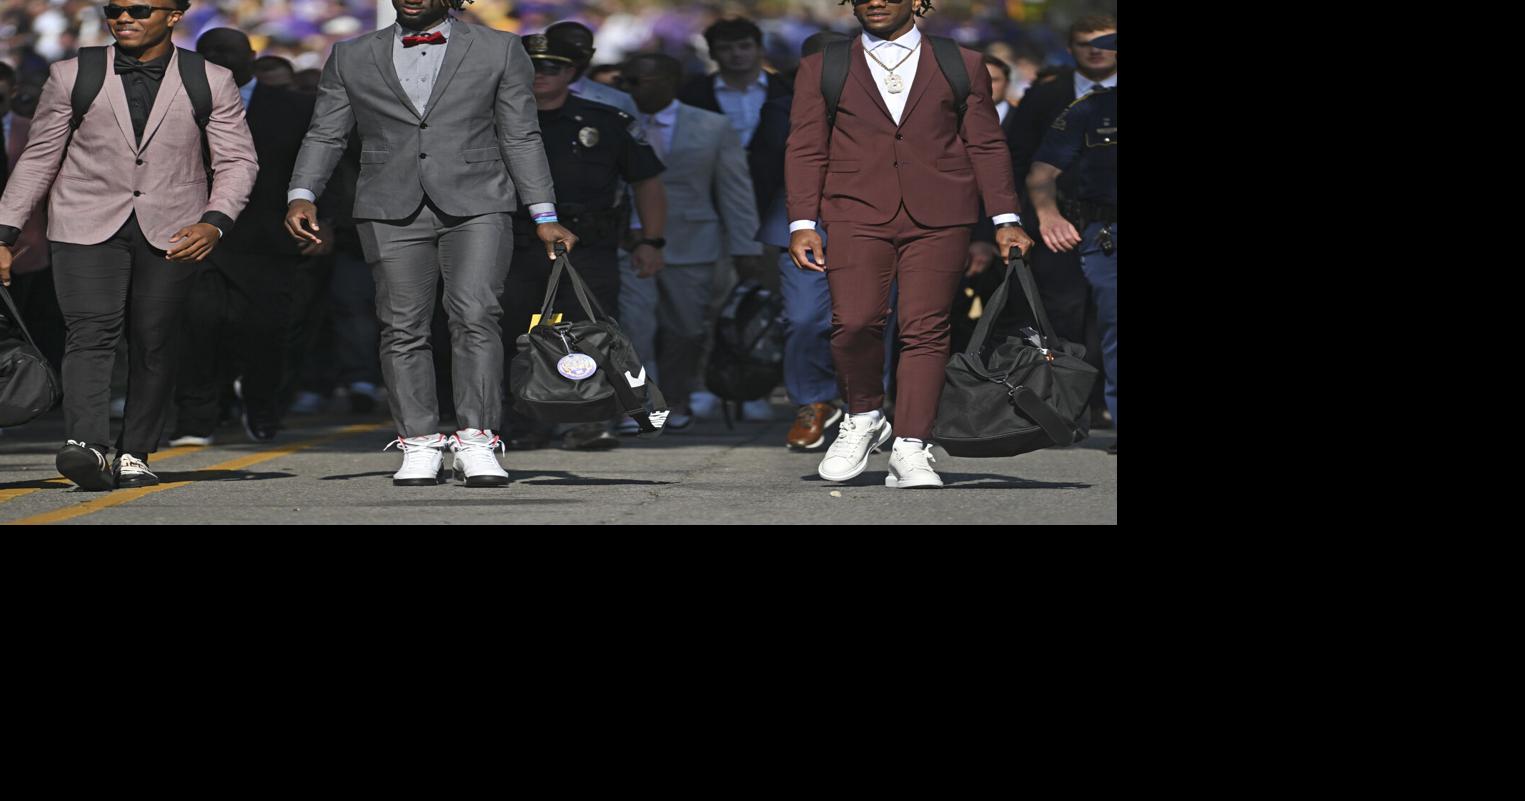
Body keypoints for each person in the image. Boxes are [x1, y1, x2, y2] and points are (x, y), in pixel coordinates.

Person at [284, 0, 574, 488]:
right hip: (387, 204)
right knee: (400, 326)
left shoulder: (500, 49)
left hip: (479, 201)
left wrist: (543, 214)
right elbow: (326, 133)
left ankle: (477, 438)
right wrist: (302, 194)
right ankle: (418, 441)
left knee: (477, 314)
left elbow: (521, 135)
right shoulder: (351, 54)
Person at [0, 0, 258, 490]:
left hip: (176, 229)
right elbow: (38, 159)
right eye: (114, 8)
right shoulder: (72, 74)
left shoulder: (211, 78)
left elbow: (238, 161)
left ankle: (135, 451)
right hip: (83, 222)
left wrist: (215, 223)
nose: (124, 18)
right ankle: (87, 446)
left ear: (174, 15)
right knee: (90, 334)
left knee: (154, 338)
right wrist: (4, 232)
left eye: (138, 9)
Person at [786, 0, 1032, 489]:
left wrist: (1005, 218)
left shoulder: (962, 62)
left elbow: (985, 142)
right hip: (854, 209)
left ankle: (912, 446)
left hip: (941, 214)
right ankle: (863, 416)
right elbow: (806, 145)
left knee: (926, 329)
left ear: (917, 2)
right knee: (854, 322)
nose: (875, 1)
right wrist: (802, 222)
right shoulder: (823, 65)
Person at [500, 33, 666, 452]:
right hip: (516, 242)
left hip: (588, 244)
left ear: (572, 72)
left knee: (589, 335)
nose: (539, 75)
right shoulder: (496, 119)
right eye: (531, 67)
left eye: (551, 67)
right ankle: (526, 420)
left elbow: (646, 182)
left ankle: (589, 420)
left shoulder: (606, 120)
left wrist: (652, 240)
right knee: (516, 333)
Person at [170, 28, 320, 446]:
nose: (219, 58)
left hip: (267, 239)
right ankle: (196, 417)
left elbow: (321, 166)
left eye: (228, 51)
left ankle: (262, 408)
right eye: (210, 52)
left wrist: (323, 222)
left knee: (264, 333)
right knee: (196, 328)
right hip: (195, 236)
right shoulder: (177, 102)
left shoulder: (294, 107)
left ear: (251, 55)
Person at [618, 53, 761, 431]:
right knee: (635, 326)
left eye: (640, 80)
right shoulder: (616, 119)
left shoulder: (712, 126)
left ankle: (676, 398)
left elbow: (735, 189)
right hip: (628, 239)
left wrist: (747, 247)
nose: (630, 88)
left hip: (692, 240)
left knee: (687, 331)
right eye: (627, 80)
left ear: (670, 79)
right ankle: (641, 405)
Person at [1005, 13, 1115, 428]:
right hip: (1058, 219)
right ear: (1070, 50)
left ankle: (1108, 401)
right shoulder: (1047, 97)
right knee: (1063, 311)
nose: (1096, 49)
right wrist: (1026, 216)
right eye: (1086, 42)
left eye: (1106, 41)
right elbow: (1020, 160)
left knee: (1109, 316)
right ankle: (1069, 403)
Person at [752, 30, 851, 450]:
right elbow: (763, 172)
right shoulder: (780, 109)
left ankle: (870, 405)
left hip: (872, 220)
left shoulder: (886, 106)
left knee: (872, 320)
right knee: (805, 317)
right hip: (799, 223)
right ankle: (812, 401)